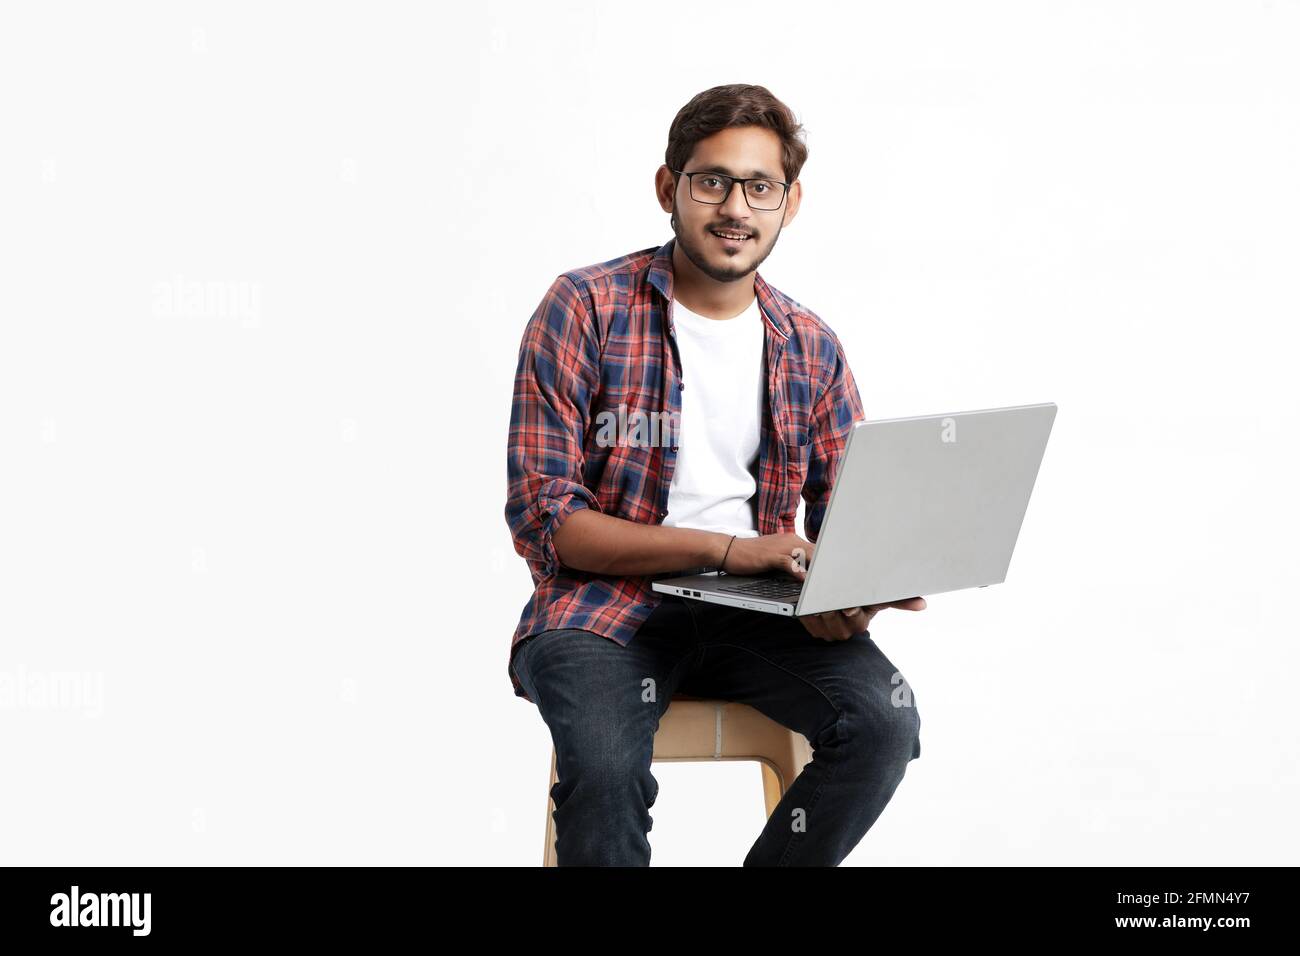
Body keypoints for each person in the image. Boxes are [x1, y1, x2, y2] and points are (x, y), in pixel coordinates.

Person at [504, 83, 925, 866]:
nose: (736, 207)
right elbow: (547, 519)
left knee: (885, 723)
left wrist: (853, 592)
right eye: (713, 181)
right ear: (670, 187)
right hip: (601, 614)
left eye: (760, 187)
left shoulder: (810, 344)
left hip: (761, 618)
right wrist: (733, 551)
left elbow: (849, 515)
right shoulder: (584, 307)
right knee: (601, 771)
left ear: (789, 203)